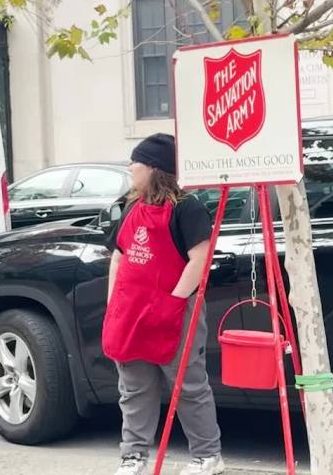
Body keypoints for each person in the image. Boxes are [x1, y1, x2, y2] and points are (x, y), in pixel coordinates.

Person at [103, 133, 224, 475]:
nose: (130, 167)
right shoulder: (131, 207)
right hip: (131, 311)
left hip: (174, 311)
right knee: (133, 386)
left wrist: (173, 302)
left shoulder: (187, 208)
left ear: (154, 168)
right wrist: (114, 303)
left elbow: (200, 258)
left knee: (187, 385)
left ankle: (207, 456)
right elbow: (119, 256)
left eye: (135, 162)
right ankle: (133, 456)